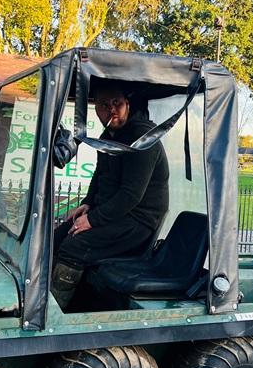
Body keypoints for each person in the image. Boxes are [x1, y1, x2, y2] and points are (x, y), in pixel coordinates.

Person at [51, 80, 169, 310]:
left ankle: (56, 313)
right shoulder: (109, 136)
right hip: (114, 214)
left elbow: (131, 195)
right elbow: (100, 175)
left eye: (116, 103)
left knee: (73, 247)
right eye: (104, 105)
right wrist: (86, 204)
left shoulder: (143, 139)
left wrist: (93, 220)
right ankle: (65, 299)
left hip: (138, 222)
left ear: (127, 103)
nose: (111, 110)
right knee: (56, 237)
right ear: (96, 109)